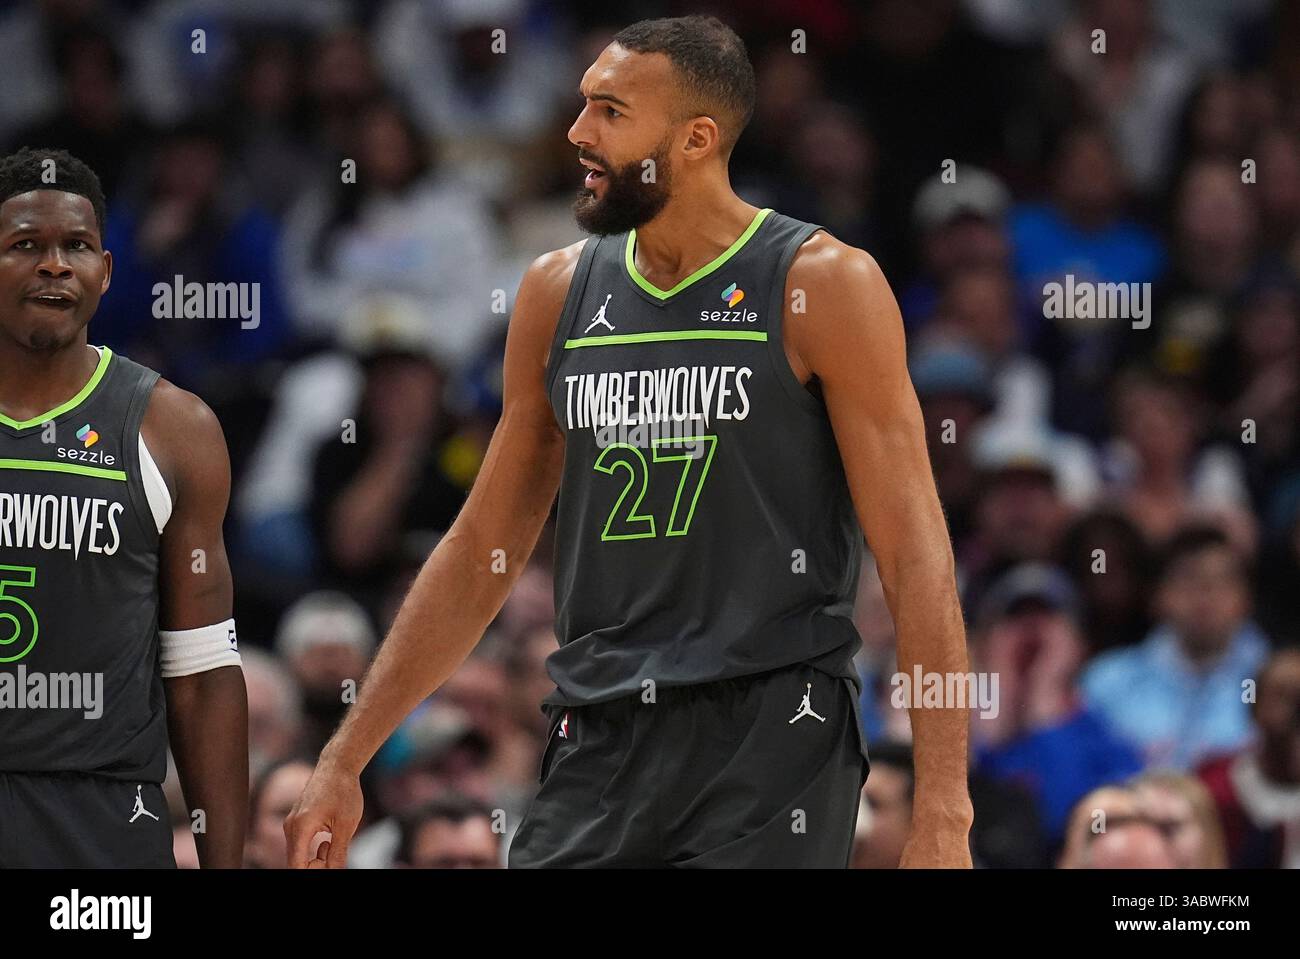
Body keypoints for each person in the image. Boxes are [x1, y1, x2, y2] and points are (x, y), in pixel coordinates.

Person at [288, 14, 972, 869]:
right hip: (597, 731)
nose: (577, 132)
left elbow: (915, 554)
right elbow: (481, 549)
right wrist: (346, 756)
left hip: (770, 738)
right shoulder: (555, 291)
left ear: (694, 138)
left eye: (610, 112)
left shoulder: (822, 284)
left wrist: (945, 808)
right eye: (582, 105)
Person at [0, 147, 246, 866]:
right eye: (25, 246)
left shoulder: (175, 427)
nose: (54, 265)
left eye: (75, 245)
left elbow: (202, 674)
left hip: (103, 815)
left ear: (105, 273)